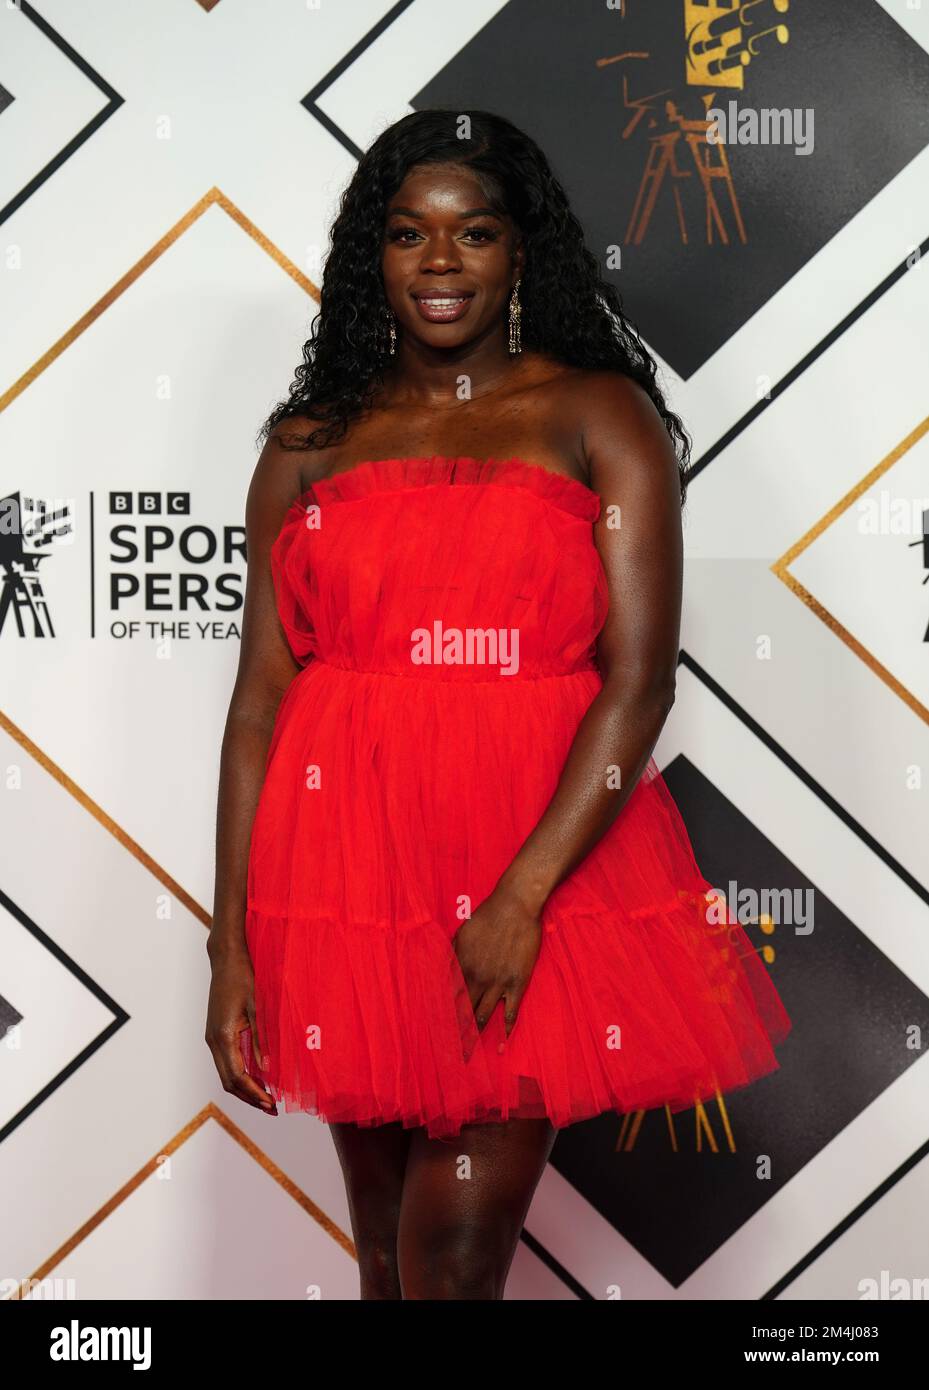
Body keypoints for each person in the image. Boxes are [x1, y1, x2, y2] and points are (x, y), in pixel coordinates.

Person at [205, 108, 791, 1300]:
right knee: (384, 1261)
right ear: (371, 254)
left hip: (536, 873)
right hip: (343, 885)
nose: (439, 262)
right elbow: (262, 701)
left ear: (521, 254)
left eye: (473, 233)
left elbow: (637, 681)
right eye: (409, 234)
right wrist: (232, 943)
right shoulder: (309, 443)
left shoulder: (594, 416)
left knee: (455, 1256)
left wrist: (520, 897)